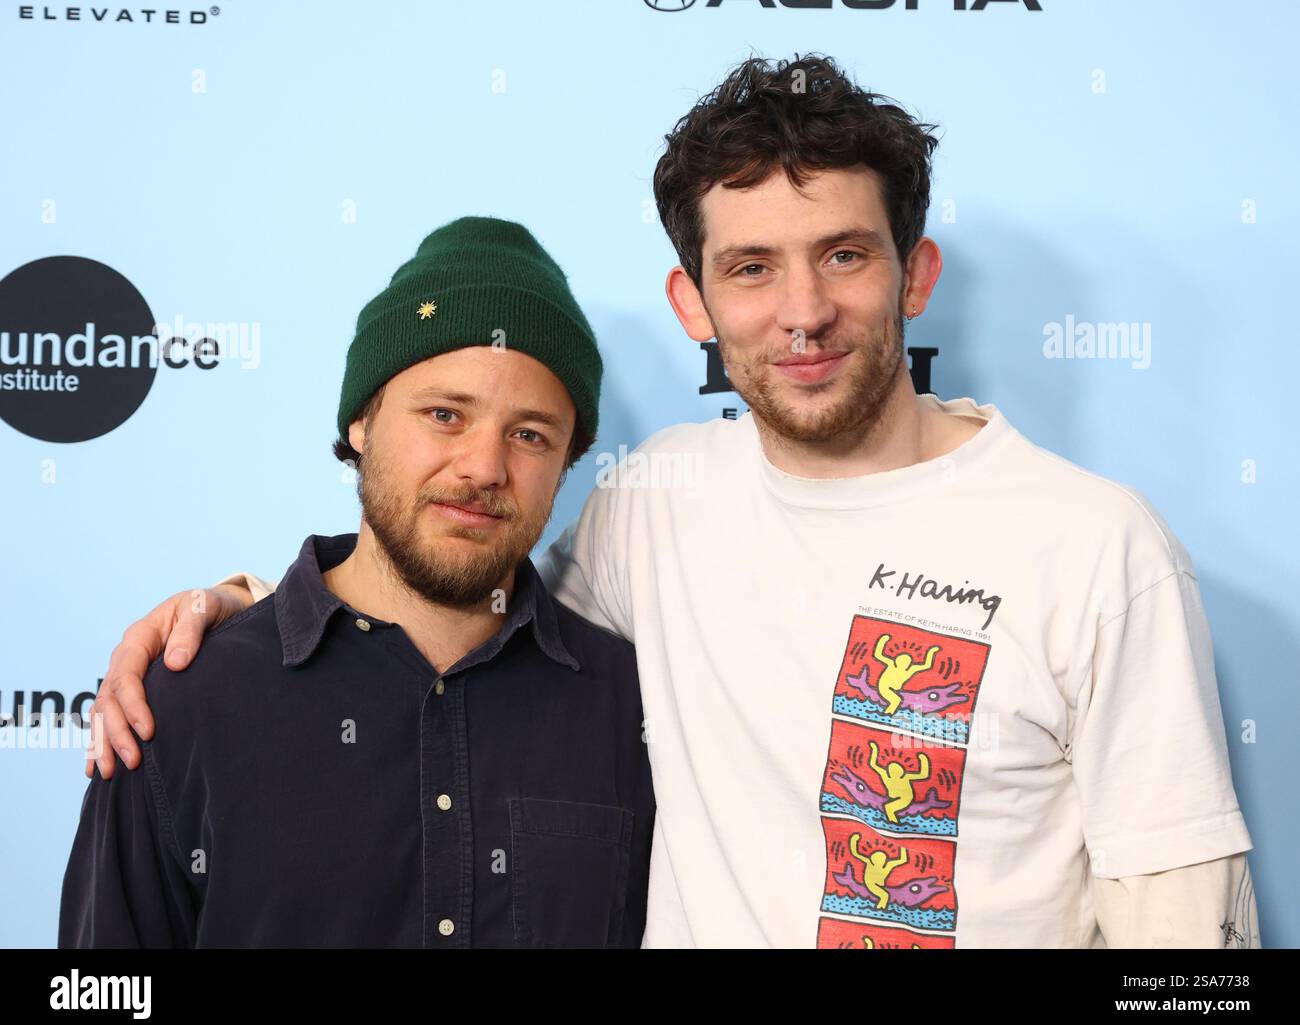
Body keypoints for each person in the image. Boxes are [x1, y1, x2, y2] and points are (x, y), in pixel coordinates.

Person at [84, 55, 1258, 949]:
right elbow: (442, 588)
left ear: (915, 273)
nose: (801, 310)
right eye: (750, 267)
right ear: (693, 302)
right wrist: (234, 610)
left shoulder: (1095, 546)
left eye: (844, 254)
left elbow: (1187, 926)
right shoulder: (654, 508)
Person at [59, 216, 655, 948]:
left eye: (530, 433)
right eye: (444, 414)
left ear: (567, 461)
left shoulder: (634, 704)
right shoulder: (186, 701)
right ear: (363, 421)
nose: (483, 466)